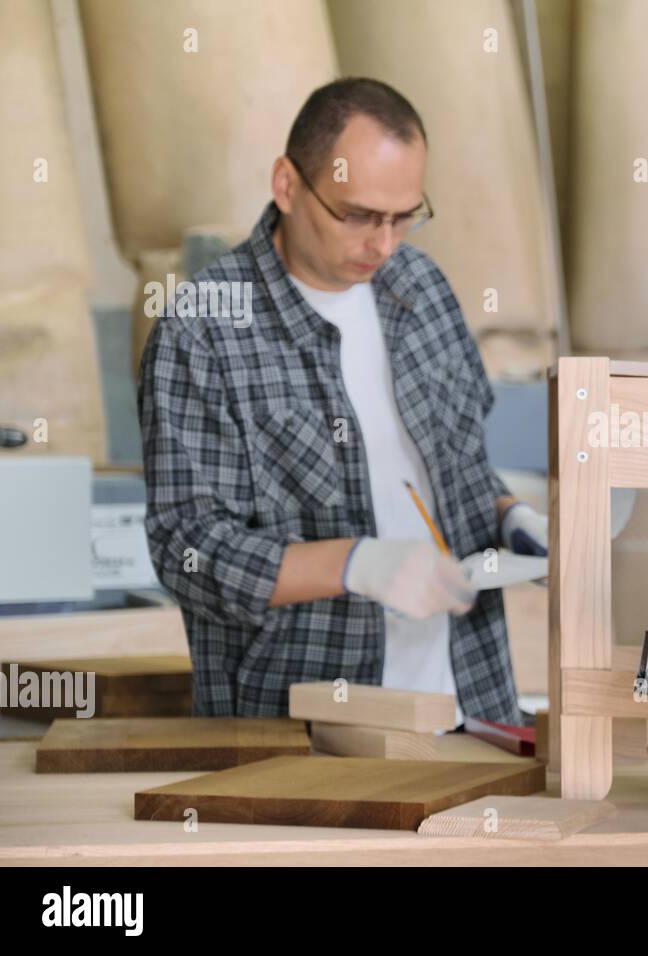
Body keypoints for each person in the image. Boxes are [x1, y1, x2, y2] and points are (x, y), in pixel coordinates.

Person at [138, 78, 546, 724]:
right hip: (307, 739)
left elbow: (457, 470)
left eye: (404, 216)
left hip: (472, 710)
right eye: (356, 215)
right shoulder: (203, 329)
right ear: (287, 184)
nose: (382, 245)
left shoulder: (422, 288)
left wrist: (513, 518)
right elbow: (188, 550)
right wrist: (355, 564)